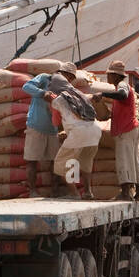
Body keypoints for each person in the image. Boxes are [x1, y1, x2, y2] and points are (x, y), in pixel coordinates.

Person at [46, 71, 101, 200]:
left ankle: (74, 193)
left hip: (79, 132)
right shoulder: (80, 94)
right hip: (95, 131)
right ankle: (88, 192)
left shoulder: (59, 99)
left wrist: (47, 97)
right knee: (85, 162)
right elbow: (91, 100)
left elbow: (55, 121)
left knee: (61, 163)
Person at [96, 59, 139, 200]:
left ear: (116, 75)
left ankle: (126, 193)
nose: (108, 77)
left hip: (125, 130)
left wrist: (103, 94)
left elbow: (122, 95)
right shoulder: (121, 88)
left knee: (124, 160)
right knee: (133, 160)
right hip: (130, 128)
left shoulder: (122, 85)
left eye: (109, 75)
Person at [19, 71, 60, 197]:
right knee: (32, 160)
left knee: (55, 162)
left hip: (53, 128)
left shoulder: (64, 87)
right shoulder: (44, 78)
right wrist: (43, 93)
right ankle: (32, 191)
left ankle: (55, 191)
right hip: (36, 125)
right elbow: (26, 87)